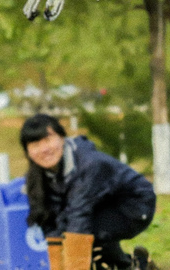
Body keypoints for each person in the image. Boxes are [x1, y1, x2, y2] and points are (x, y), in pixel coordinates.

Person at [20, 114, 158, 270]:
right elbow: (51, 222)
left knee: (80, 235)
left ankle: (126, 264)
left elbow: (78, 219)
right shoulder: (39, 176)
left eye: (48, 139)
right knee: (70, 228)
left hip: (134, 205)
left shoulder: (89, 164)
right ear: (27, 151)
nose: (44, 149)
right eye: (35, 144)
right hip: (101, 206)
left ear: (62, 137)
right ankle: (136, 265)